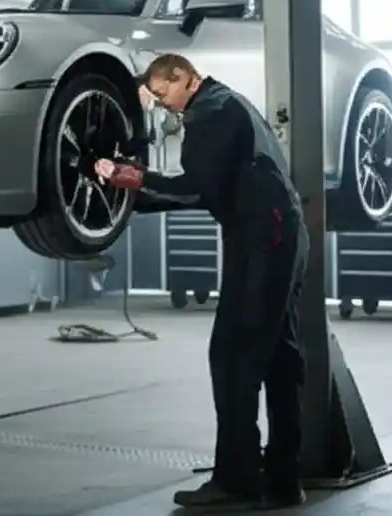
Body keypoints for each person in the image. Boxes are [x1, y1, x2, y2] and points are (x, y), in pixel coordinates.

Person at [95, 53, 308, 510]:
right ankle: (285, 480)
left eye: (163, 92)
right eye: (154, 97)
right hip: (282, 232)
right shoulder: (232, 103)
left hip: (262, 238)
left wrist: (126, 176)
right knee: (279, 358)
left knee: (234, 356)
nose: (163, 104)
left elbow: (194, 188)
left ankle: (237, 482)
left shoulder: (208, 112)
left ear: (185, 78)